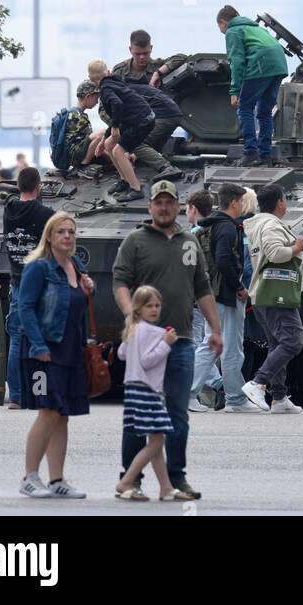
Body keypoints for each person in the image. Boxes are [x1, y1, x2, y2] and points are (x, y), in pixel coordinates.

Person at [112, 179, 223, 500]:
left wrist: (216, 330)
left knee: (177, 412)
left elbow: (202, 288)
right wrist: (130, 317)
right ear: (150, 207)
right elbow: (120, 281)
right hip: (145, 341)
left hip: (182, 339)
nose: (163, 207)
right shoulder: (135, 241)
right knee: (138, 414)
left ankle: (177, 478)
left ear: (178, 206)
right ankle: (129, 479)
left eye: (169, 202)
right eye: (158, 202)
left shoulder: (189, 242)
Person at [18, 213, 94, 498]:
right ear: (49, 236)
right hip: (42, 351)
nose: (67, 237)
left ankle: (57, 480)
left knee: (62, 415)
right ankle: (30, 477)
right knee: (47, 411)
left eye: (71, 232)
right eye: (61, 232)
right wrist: (38, 346)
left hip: (70, 350)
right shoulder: (39, 268)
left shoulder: (76, 266)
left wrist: (89, 290)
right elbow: (25, 308)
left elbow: (75, 306)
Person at [116, 286, 190, 501]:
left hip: (132, 390)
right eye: (149, 305)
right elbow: (148, 361)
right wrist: (166, 344)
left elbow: (122, 354)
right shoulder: (155, 333)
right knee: (157, 441)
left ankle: (165, 487)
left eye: (157, 305)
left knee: (155, 440)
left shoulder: (132, 329)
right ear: (139, 308)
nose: (155, 309)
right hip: (147, 391)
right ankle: (126, 480)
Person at [241, 183, 303, 413]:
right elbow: (275, 253)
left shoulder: (260, 223)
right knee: (292, 340)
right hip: (276, 293)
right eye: (285, 199)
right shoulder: (269, 225)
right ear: (279, 202)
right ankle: (258, 383)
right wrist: (297, 247)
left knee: (277, 344)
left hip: (265, 293)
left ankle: (279, 398)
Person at [199, 183, 258, 413]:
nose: (243, 205)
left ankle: (233, 397)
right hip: (226, 294)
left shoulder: (212, 225)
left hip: (214, 292)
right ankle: (186, 391)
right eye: (241, 201)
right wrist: (239, 287)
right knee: (220, 346)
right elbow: (224, 259)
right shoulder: (227, 228)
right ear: (234, 202)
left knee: (219, 346)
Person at [2, 167, 55, 410]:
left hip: (16, 281)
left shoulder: (8, 211)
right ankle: (39, 392)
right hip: (39, 284)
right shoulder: (45, 214)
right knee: (39, 338)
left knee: (15, 338)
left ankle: (16, 395)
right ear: (39, 187)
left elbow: (15, 198)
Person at [216, 6, 289, 165]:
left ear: (222, 22)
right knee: (264, 112)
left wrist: (234, 91)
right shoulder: (256, 28)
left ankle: (250, 152)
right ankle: (265, 155)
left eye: (219, 27)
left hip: (261, 65)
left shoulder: (233, 31)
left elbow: (237, 61)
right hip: (279, 66)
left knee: (245, 108)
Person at [107, 29, 187, 171]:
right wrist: (120, 127)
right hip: (131, 123)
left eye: (146, 53)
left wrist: (158, 73)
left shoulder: (158, 66)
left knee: (138, 143)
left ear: (151, 48)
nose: (142, 57)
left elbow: (182, 58)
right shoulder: (119, 72)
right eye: (137, 54)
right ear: (130, 50)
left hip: (158, 121)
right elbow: (106, 106)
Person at [86, 61, 157, 202]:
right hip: (140, 118)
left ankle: (136, 189)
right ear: (108, 72)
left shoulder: (106, 90)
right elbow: (117, 114)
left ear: (90, 77)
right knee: (108, 144)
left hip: (141, 122)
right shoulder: (112, 82)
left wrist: (115, 127)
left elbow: (117, 105)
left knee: (118, 151)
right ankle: (124, 180)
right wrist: (104, 138)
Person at [186, 189, 225, 412]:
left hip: (195, 296)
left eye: (187, 208)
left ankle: (206, 386)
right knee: (202, 342)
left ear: (193, 208)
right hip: (210, 294)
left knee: (195, 343)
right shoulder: (214, 229)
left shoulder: (194, 234)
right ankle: (218, 383)